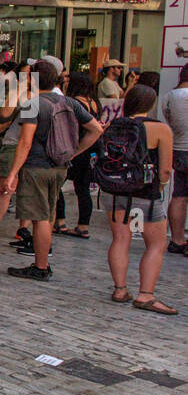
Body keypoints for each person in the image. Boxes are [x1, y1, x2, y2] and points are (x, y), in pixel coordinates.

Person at [3, 57, 103, 280]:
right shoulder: (69, 102)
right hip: (60, 166)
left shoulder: (33, 104)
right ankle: (42, 263)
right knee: (48, 214)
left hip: (36, 166)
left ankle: (40, 266)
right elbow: (96, 129)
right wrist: (74, 152)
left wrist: (12, 173)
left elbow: (25, 142)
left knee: (40, 218)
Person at [103, 85, 176, 314]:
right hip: (145, 194)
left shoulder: (114, 125)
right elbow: (165, 170)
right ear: (151, 104)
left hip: (115, 192)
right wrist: (161, 187)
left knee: (120, 239)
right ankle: (146, 294)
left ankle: (120, 289)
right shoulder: (160, 129)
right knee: (155, 244)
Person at [0, 61, 32, 242]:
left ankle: (22, 228)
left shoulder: (36, 94)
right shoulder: (17, 91)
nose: (27, 77)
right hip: (13, 144)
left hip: (28, 145)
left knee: (24, 189)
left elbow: (8, 114)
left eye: (30, 74)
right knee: (7, 187)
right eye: (24, 74)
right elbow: (4, 113)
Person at [53, 70, 103, 239]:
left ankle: (60, 221)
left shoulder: (73, 103)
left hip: (76, 148)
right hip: (91, 149)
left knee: (57, 184)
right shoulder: (95, 102)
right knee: (83, 188)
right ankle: (83, 226)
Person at [166, 64, 188, 256]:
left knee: (179, 194)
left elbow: (169, 120)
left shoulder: (170, 96)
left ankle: (177, 239)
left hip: (179, 149)